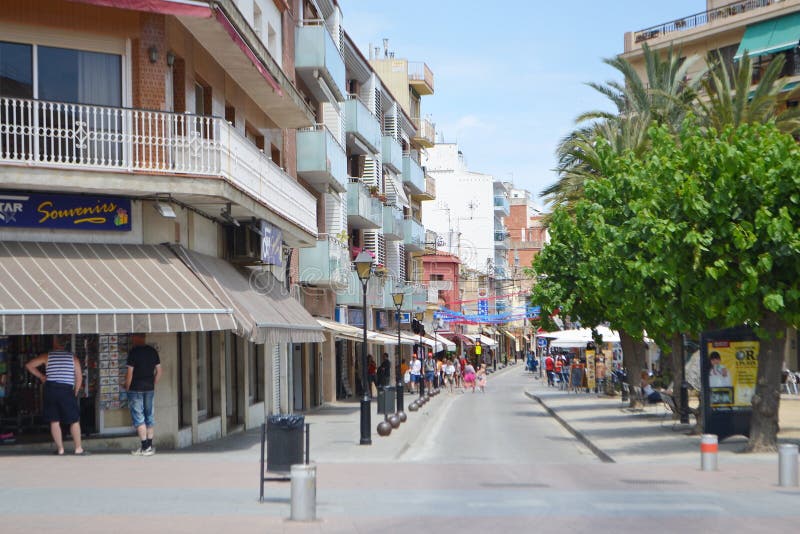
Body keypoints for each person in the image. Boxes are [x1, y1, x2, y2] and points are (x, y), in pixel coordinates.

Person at [25, 335, 85, 455]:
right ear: (66, 344)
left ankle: (60, 449)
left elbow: (29, 365)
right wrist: (75, 391)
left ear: (55, 343)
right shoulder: (73, 358)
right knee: (74, 420)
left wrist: (42, 376)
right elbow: (79, 377)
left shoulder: (47, 356)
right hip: (66, 390)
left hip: (51, 389)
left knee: (54, 420)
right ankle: (78, 448)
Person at [125, 333, 162, 456]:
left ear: (136, 338)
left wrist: (127, 386)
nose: (132, 339)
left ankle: (145, 448)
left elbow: (129, 373)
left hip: (136, 389)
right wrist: (153, 383)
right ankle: (149, 446)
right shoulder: (152, 351)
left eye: (133, 336)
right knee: (149, 416)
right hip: (149, 389)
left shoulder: (133, 352)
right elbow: (159, 371)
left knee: (139, 417)